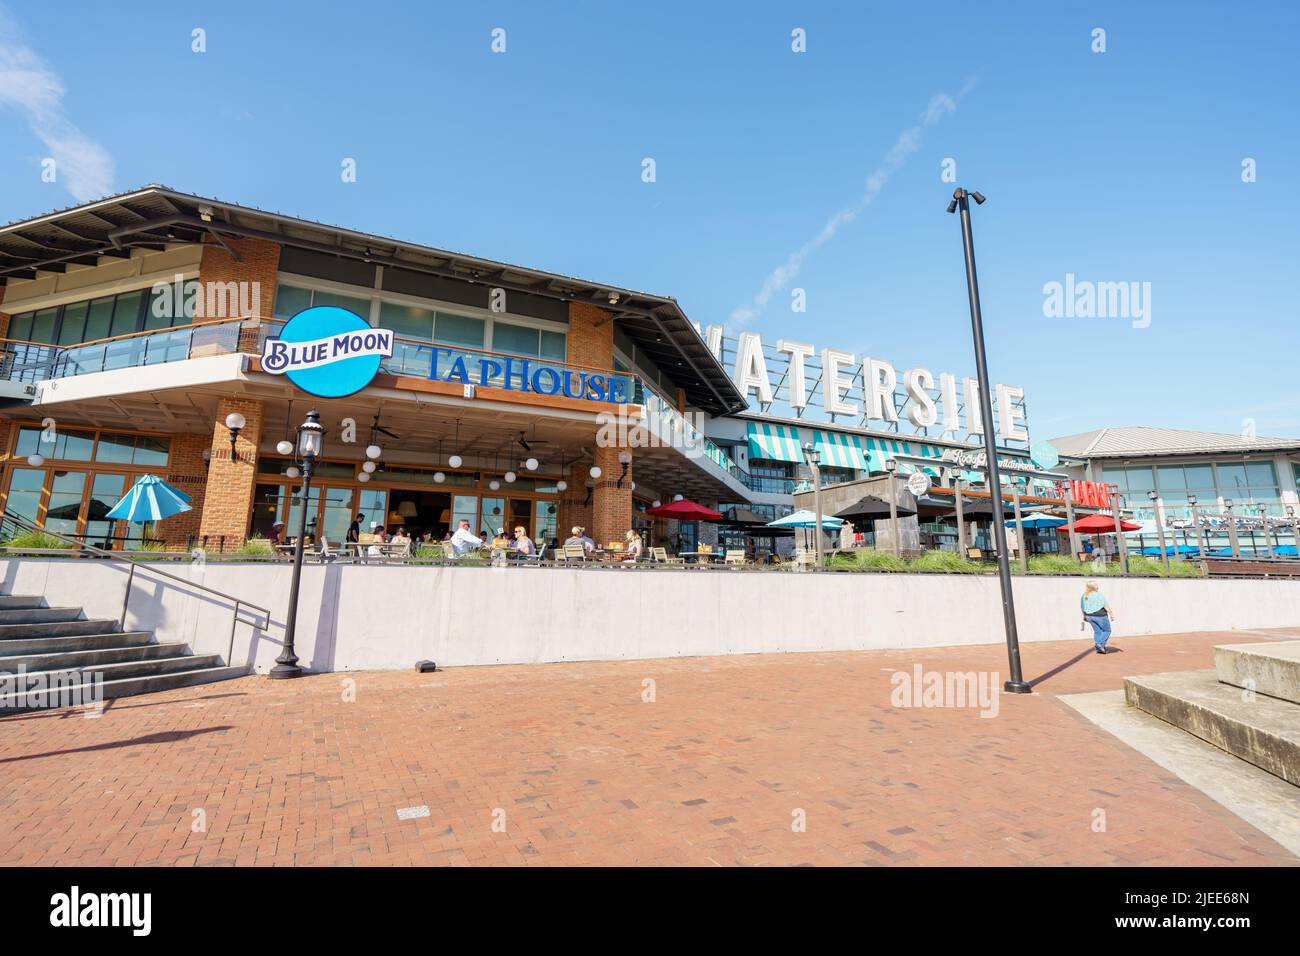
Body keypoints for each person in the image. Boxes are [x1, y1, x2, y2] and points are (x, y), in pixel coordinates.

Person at [1081, 581, 1115, 654]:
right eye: (1096, 585)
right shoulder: (1099, 595)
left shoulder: (1084, 595)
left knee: (1098, 631)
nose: (1097, 586)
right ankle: (1099, 644)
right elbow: (1105, 605)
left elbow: (1082, 607)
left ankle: (1100, 648)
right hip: (1100, 615)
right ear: (1092, 587)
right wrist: (1111, 614)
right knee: (1107, 630)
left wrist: (1084, 617)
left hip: (1089, 616)